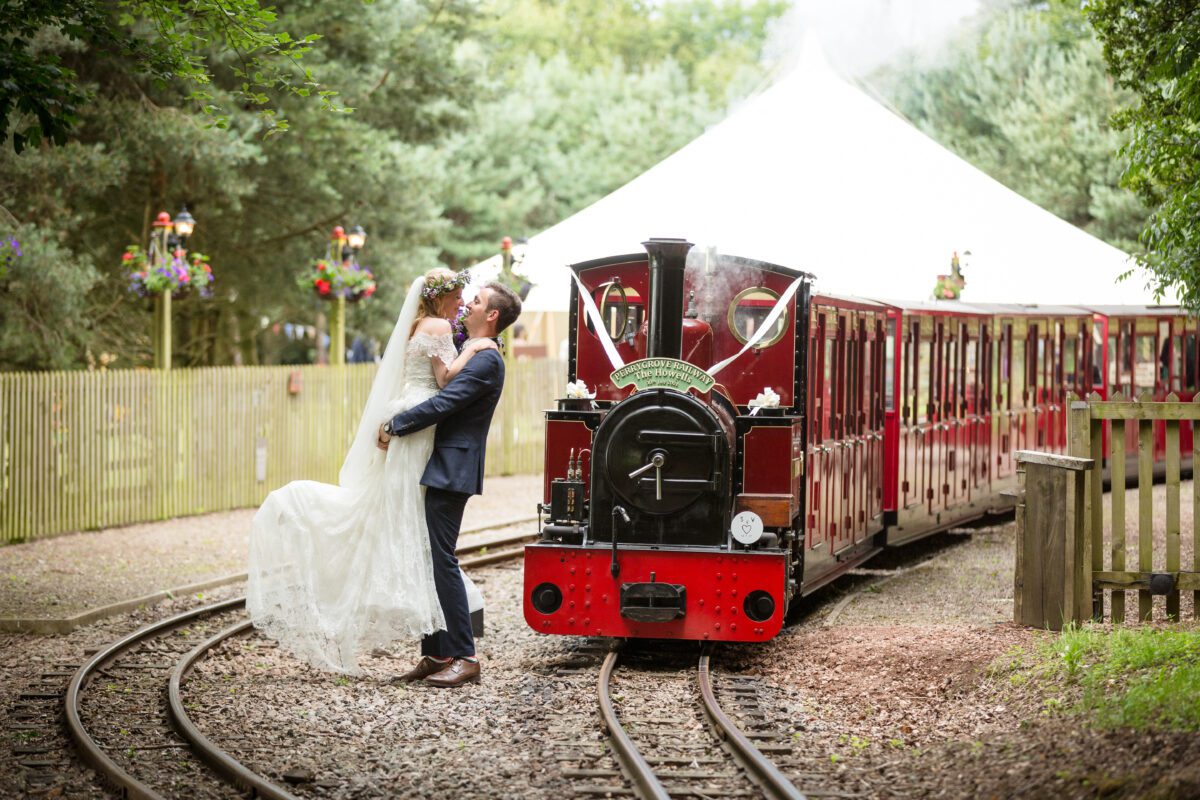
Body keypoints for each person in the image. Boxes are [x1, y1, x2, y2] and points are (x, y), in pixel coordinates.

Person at [246, 268, 496, 675]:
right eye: (457, 296)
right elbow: (447, 382)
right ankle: (451, 651)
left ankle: (438, 650)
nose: (461, 304)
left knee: (416, 534)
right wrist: (476, 348)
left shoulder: (419, 324)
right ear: (440, 296)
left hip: (408, 421)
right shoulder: (439, 327)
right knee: (418, 534)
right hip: (417, 429)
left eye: (469, 299)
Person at [380, 281, 522, 688]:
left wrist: (395, 425)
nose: (468, 305)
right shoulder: (471, 351)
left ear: (492, 315)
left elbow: (444, 403)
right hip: (437, 462)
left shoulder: (487, 361)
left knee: (441, 558)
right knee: (429, 556)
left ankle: (466, 656)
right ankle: (437, 652)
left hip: (451, 467)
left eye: (476, 301)